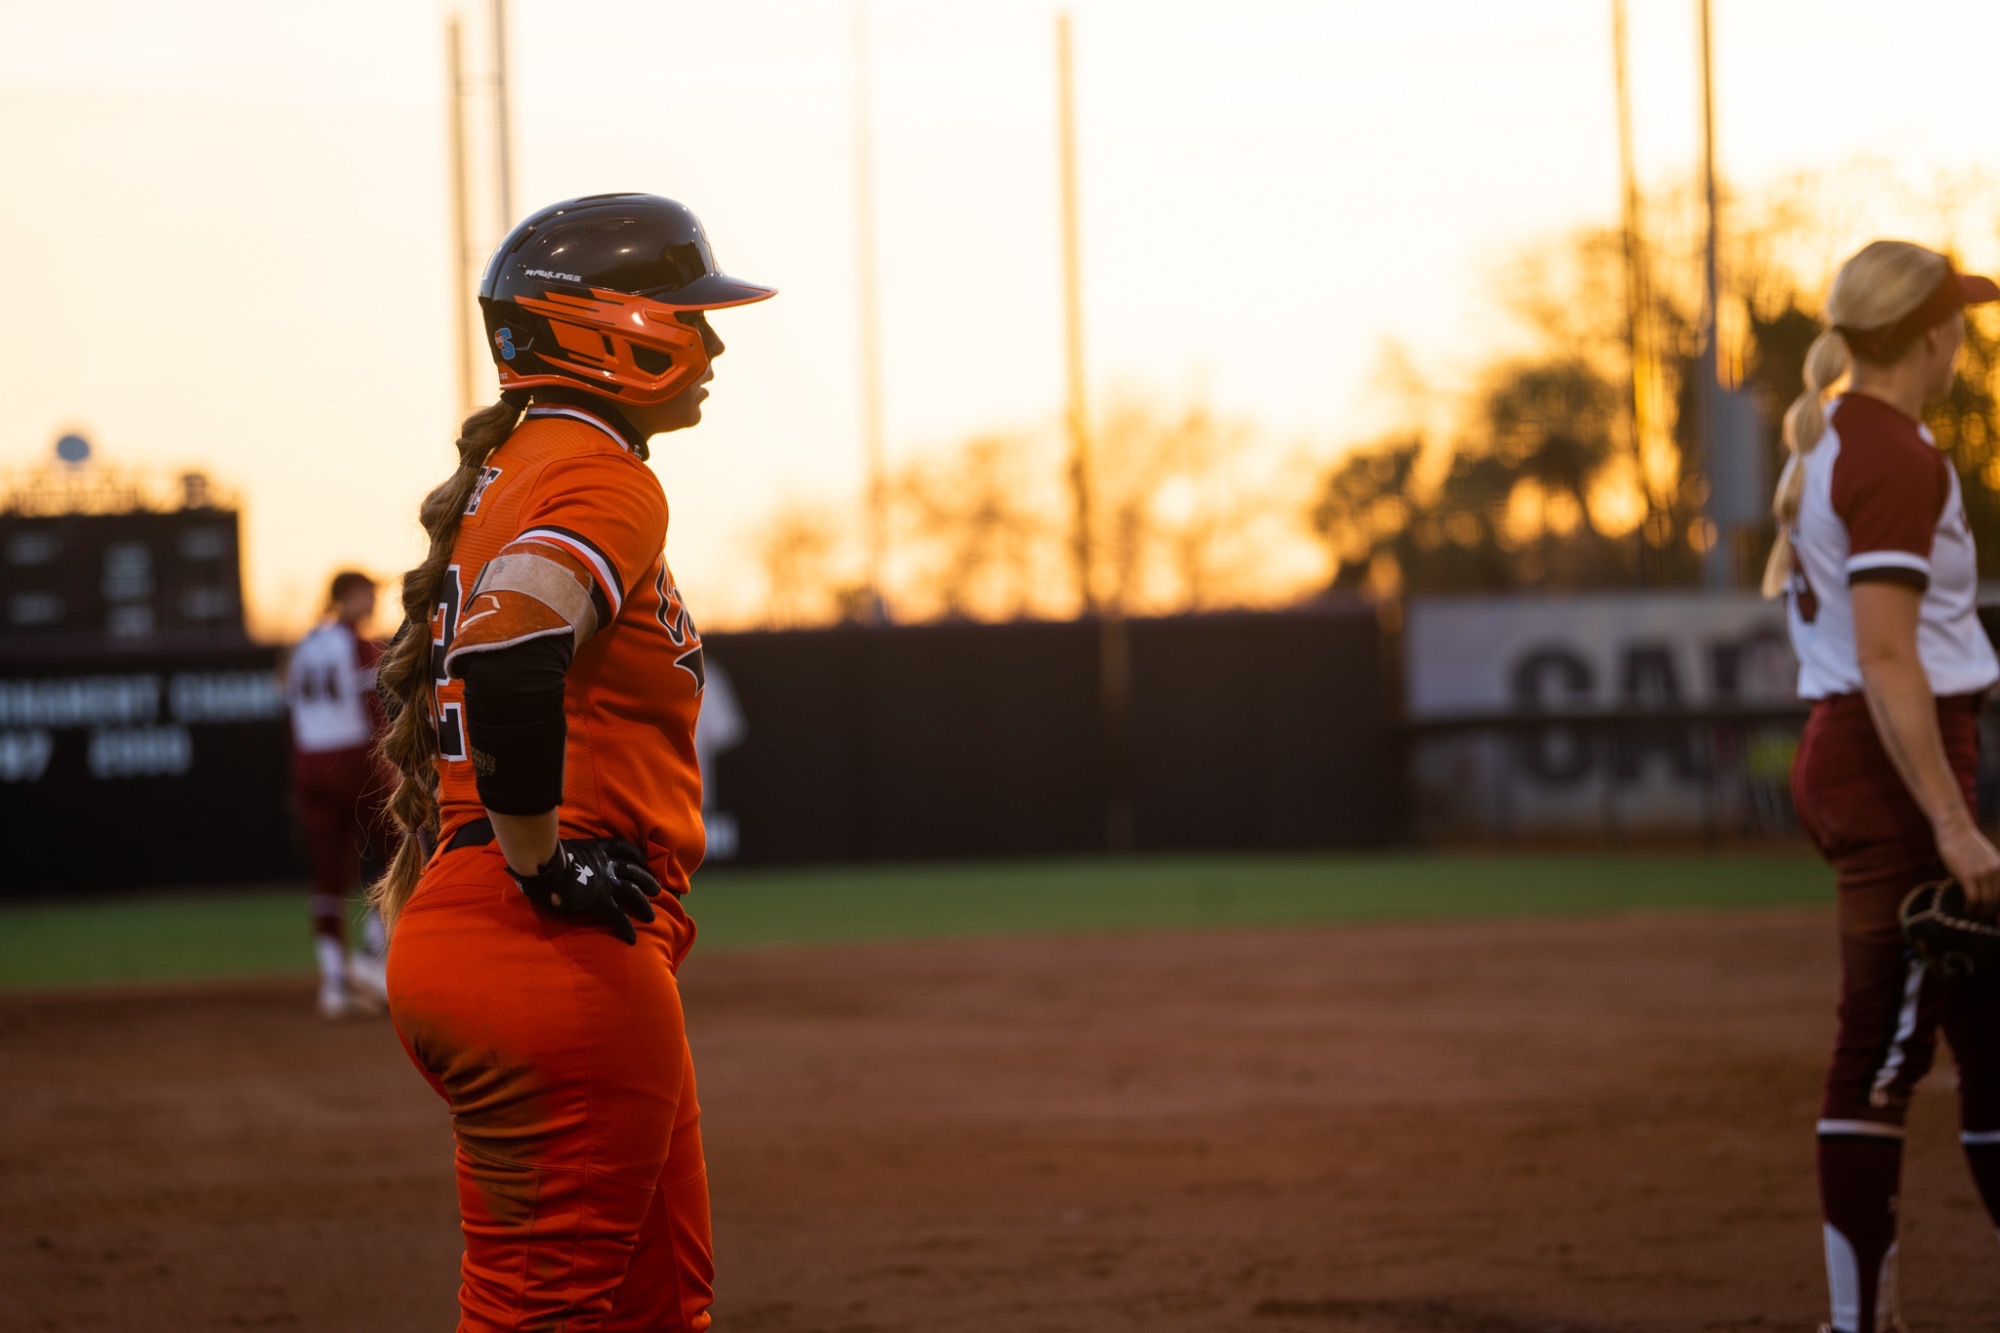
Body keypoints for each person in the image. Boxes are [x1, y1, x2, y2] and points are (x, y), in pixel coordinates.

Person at [371, 193, 773, 1332]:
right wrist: (544, 862)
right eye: (686, 314)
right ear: (604, 329)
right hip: (544, 949)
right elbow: (508, 647)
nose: (711, 343)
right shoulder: (602, 477)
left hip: (509, 942)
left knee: (657, 1307)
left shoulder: (527, 469)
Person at [1766, 239, 2000, 1333]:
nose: (1968, 332)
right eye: (1958, 315)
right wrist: (1950, 824)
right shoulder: (1893, 456)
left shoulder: (1843, 441)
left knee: (1989, 1033)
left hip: (1868, 751)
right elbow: (1888, 655)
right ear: (1927, 334)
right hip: (1893, 762)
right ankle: (1854, 1327)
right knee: (1879, 1050)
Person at [284, 569, 393, 1018]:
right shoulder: (356, 643)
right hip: (351, 758)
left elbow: (293, 710)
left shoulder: (305, 644)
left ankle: (332, 984)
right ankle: (369, 958)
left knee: (328, 875)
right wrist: (390, 767)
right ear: (349, 595)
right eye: (367, 592)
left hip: (308, 760)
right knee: (399, 853)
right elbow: (374, 711)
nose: (372, 601)